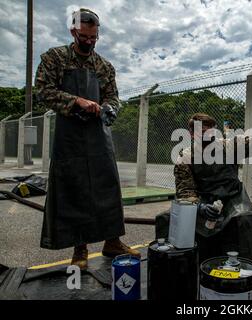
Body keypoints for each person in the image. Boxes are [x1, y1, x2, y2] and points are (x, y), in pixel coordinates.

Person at [35, 8, 139, 270]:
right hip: (69, 136)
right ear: (73, 32)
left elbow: (112, 96)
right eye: (85, 37)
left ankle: (112, 241)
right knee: (74, 189)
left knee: (107, 188)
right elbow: (44, 91)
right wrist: (77, 101)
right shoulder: (54, 58)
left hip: (98, 136)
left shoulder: (104, 66)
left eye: (94, 37)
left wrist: (111, 108)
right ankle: (79, 249)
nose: (90, 42)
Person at [155, 113, 252, 265]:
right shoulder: (185, 156)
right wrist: (199, 207)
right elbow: (185, 191)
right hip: (203, 200)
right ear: (191, 133)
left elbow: (251, 143)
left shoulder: (229, 145)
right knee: (167, 218)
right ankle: (174, 264)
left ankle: (247, 267)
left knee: (248, 218)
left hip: (233, 199)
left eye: (210, 129)